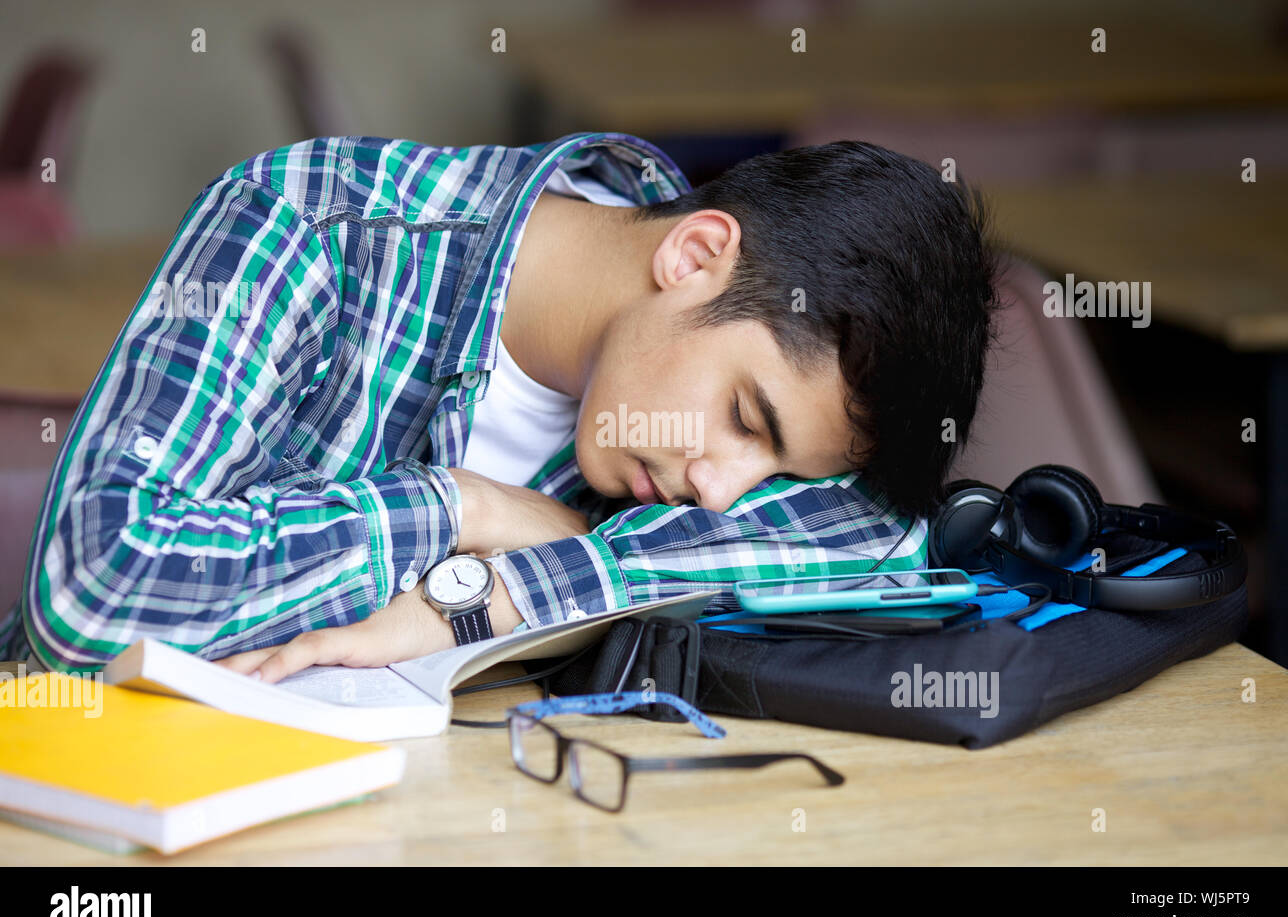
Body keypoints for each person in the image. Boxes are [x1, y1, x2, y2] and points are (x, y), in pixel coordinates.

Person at [0, 132, 1001, 680]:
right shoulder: (307, 224)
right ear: (694, 255)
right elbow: (92, 599)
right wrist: (459, 508)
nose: (721, 491)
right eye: (748, 418)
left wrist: (484, 591)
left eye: (776, 473)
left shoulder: (697, 421)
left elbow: (877, 540)